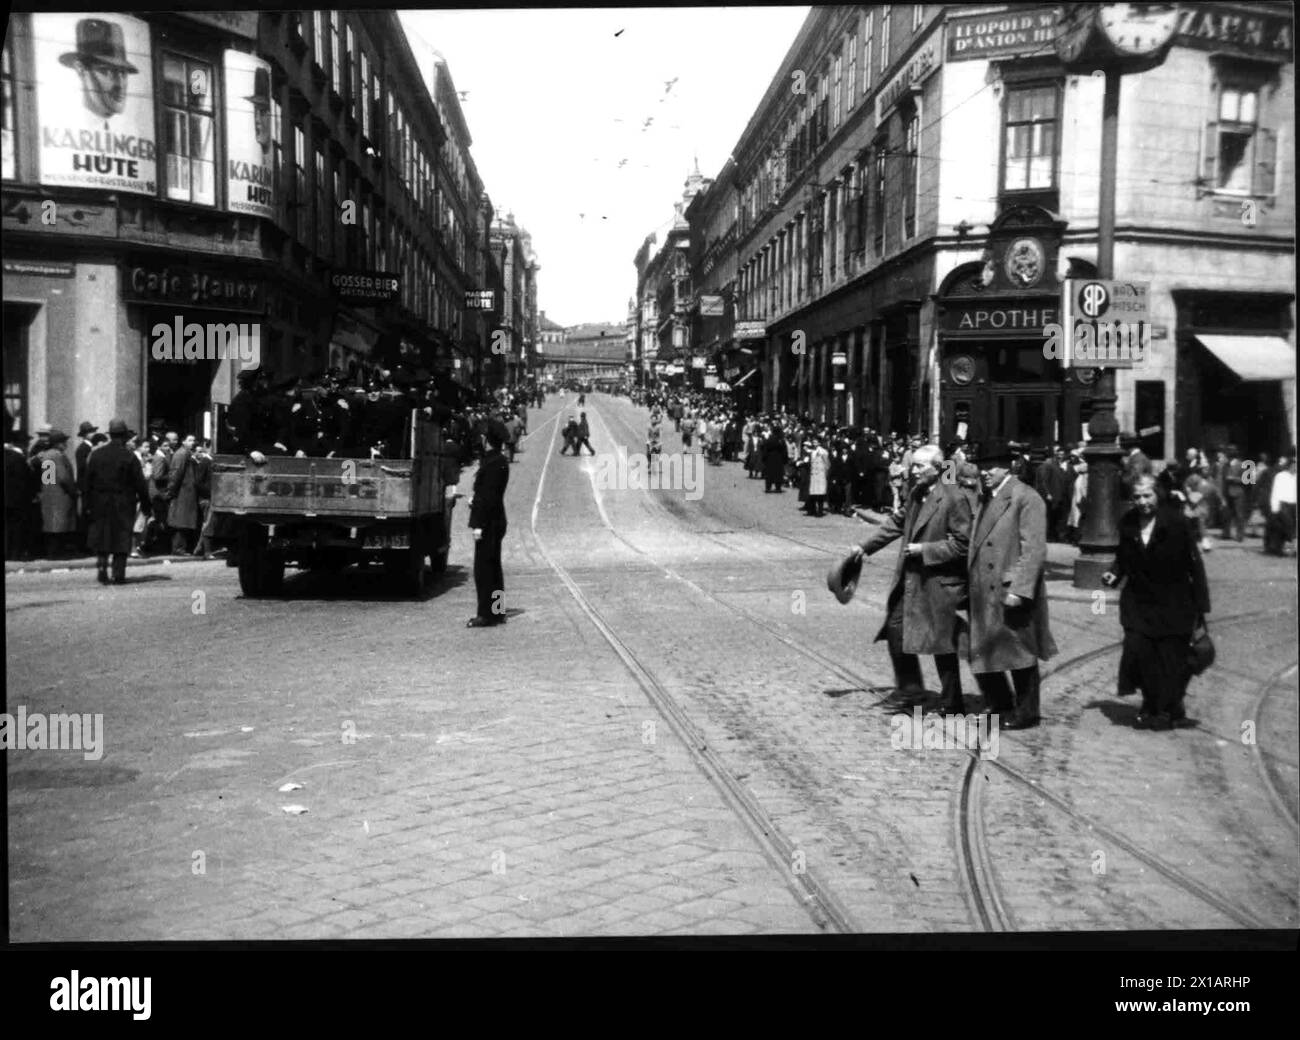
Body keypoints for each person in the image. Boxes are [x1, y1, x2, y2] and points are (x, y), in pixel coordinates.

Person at [852, 444, 972, 715]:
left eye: (920, 466)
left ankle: (953, 701)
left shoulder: (954, 498)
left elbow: (963, 545)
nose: (912, 470)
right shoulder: (916, 493)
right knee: (895, 629)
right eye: (913, 465)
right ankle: (911, 689)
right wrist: (864, 547)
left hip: (939, 582)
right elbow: (896, 524)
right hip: (911, 581)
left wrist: (924, 550)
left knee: (942, 643)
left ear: (938, 468)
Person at [1103, 475, 1211, 729]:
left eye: (1147, 495)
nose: (1142, 502)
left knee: (1170, 659)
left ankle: (1162, 709)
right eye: (1137, 497)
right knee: (1139, 653)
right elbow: (1123, 557)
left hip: (1174, 602)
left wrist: (1200, 607)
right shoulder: (1128, 522)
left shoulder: (1176, 523)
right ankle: (1155, 705)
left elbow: (1195, 565)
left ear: (1157, 495)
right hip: (1139, 603)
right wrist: (1114, 573)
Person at [968, 444, 1057, 729]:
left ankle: (1026, 710)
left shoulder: (1026, 497)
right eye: (981, 468)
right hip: (983, 587)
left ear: (1008, 467)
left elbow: (1034, 549)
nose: (984, 473)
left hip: (1009, 589)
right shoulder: (985, 497)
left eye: (991, 467)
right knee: (984, 647)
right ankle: (1001, 703)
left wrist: (1020, 589)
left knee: (1020, 651)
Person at [85, 419, 152, 585]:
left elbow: (87, 482)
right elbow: (140, 484)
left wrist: (87, 504)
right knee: (121, 537)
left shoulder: (97, 454)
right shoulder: (129, 456)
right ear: (123, 436)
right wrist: (146, 505)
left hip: (100, 501)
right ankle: (118, 573)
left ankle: (102, 565)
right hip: (123, 502)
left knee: (103, 535)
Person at [467, 423, 509, 628]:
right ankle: (499, 610)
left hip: (488, 521)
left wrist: (478, 525)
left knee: (483, 570)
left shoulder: (492, 463)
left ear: (487, 439)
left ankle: (485, 613)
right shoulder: (498, 460)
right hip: (496, 519)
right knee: (495, 568)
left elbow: (488, 497)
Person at [34, 428, 78, 559]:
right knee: (60, 526)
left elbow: (47, 478)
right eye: (64, 441)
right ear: (58, 443)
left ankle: (51, 552)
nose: (66, 444)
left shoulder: (46, 455)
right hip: (61, 495)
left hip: (49, 493)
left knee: (50, 525)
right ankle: (58, 553)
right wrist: (73, 490)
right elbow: (64, 477)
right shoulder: (58, 456)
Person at [165, 434, 199, 555]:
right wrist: (170, 491)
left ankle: (181, 547)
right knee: (181, 521)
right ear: (183, 442)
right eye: (189, 440)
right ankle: (178, 548)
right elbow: (176, 473)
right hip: (181, 492)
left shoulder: (187, 453)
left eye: (194, 440)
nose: (192, 442)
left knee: (184, 521)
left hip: (187, 492)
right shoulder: (181, 454)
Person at [4, 428, 33, 560]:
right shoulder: (18, 458)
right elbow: (26, 479)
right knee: (17, 528)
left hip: (10, 498)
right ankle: (16, 553)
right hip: (17, 499)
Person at [1265, 454, 1296, 556]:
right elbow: (1275, 492)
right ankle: (1289, 547)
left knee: (1290, 527)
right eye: (1293, 465)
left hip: (1294, 505)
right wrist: (1274, 507)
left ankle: (1287, 548)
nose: (1295, 467)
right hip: (1284, 505)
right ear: (1290, 465)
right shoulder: (1281, 476)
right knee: (1288, 526)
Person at [806, 437, 830, 517]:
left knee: (820, 494)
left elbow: (827, 464)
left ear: (819, 443)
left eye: (816, 442)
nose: (814, 443)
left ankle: (820, 511)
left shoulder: (823, 451)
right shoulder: (813, 452)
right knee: (813, 494)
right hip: (814, 475)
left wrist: (826, 474)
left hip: (821, 475)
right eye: (813, 442)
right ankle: (813, 510)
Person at [762, 427, 787, 493]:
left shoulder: (769, 439)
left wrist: (764, 458)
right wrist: (784, 460)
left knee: (769, 474)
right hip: (779, 458)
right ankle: (778, 488)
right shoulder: (781, 440)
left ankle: (768, 488)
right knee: (778, 474)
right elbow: (784, 451)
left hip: (769, 459)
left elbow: (765, 449)